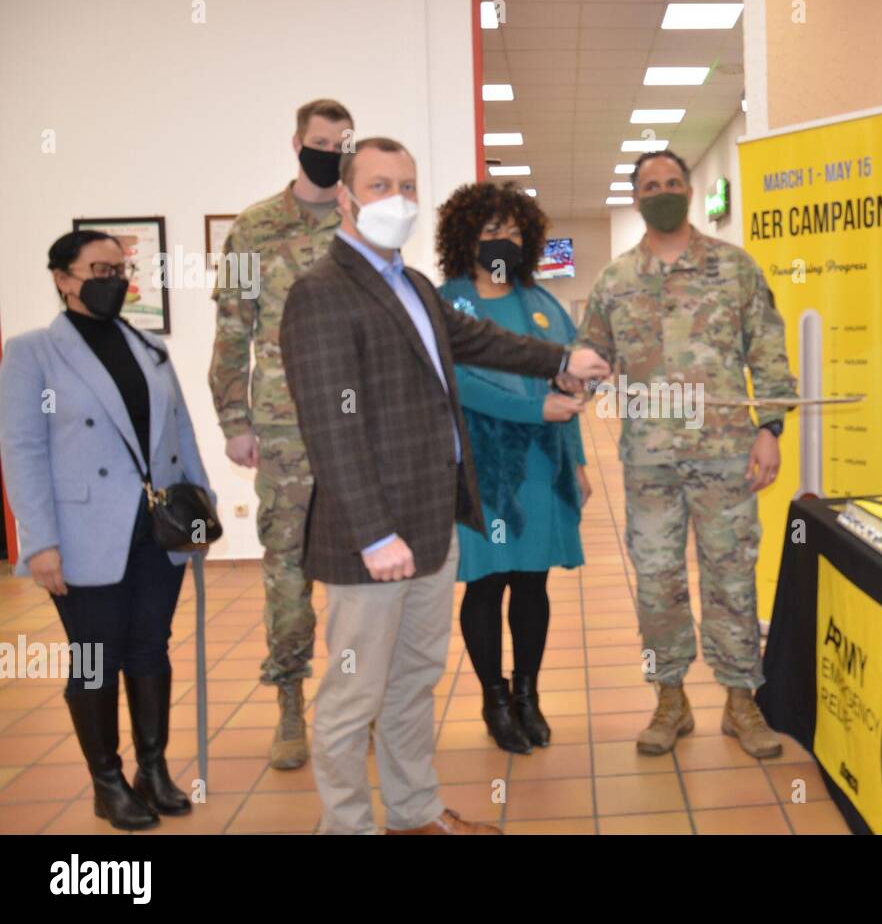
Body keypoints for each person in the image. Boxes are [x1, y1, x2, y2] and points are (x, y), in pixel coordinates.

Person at [279, 137, 609, 835]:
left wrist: (563, 357)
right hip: (371, 539)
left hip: (432, 524)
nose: (394, 198)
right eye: (377, 186)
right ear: (343, 198)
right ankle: (347, 827)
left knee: (411, 685)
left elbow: (483, 342)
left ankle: (413, 814)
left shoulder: (414, 286)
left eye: (406, 185)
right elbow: (329, 430)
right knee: (352, 696)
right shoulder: (321, 293)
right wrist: (372, 533)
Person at [576, 150, 798, 760]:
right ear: (637, 197)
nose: (664, 191)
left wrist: (770, 428)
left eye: (674, 182)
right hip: (650, 459)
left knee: (731, 578)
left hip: (727, 450)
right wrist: (567, 389)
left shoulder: (735, 268)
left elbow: (770, 351)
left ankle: (741, 700)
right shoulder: (615, 281)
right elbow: (589, 357)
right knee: (655, 583)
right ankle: (668, 698)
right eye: (652, 185)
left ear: (689, 191)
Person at [0, 231, 214, 830]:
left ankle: (152, 769)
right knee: (94, 656)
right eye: (98, 269)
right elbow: (21, 449)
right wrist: (38, 540)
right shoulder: (32, 353)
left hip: (156, 531)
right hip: (82, 534)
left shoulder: (151, 348)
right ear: (63, 279)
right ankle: (107, 781)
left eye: (121, 269)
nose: (114, 280)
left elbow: (182, 435)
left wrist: (202, 510)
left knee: (150, 649)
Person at [208, 98, 353, 770]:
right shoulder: (252, 229)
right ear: (297, 143)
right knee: (287, 571)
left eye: (340, 142)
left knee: (363, 571)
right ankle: (290, 705)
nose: (329, 151)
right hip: (285, 428)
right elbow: (233, 329)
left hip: (359, 426)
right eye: (320, 141)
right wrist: (234, 421)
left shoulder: (366, 220)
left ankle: (359, 702)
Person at [435, 182, 588, 754]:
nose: (504, 241)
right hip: (479, 468)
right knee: (485, 582)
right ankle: (494, 699)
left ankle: (528, 694)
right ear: (466, 236)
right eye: (491, 230)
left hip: (540, 464)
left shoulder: (542, 304)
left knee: (532, 581)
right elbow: (460, 385)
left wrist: (576, 461)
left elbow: (568, 386)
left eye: (514, 231)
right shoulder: (446, 301)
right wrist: (533, 407)